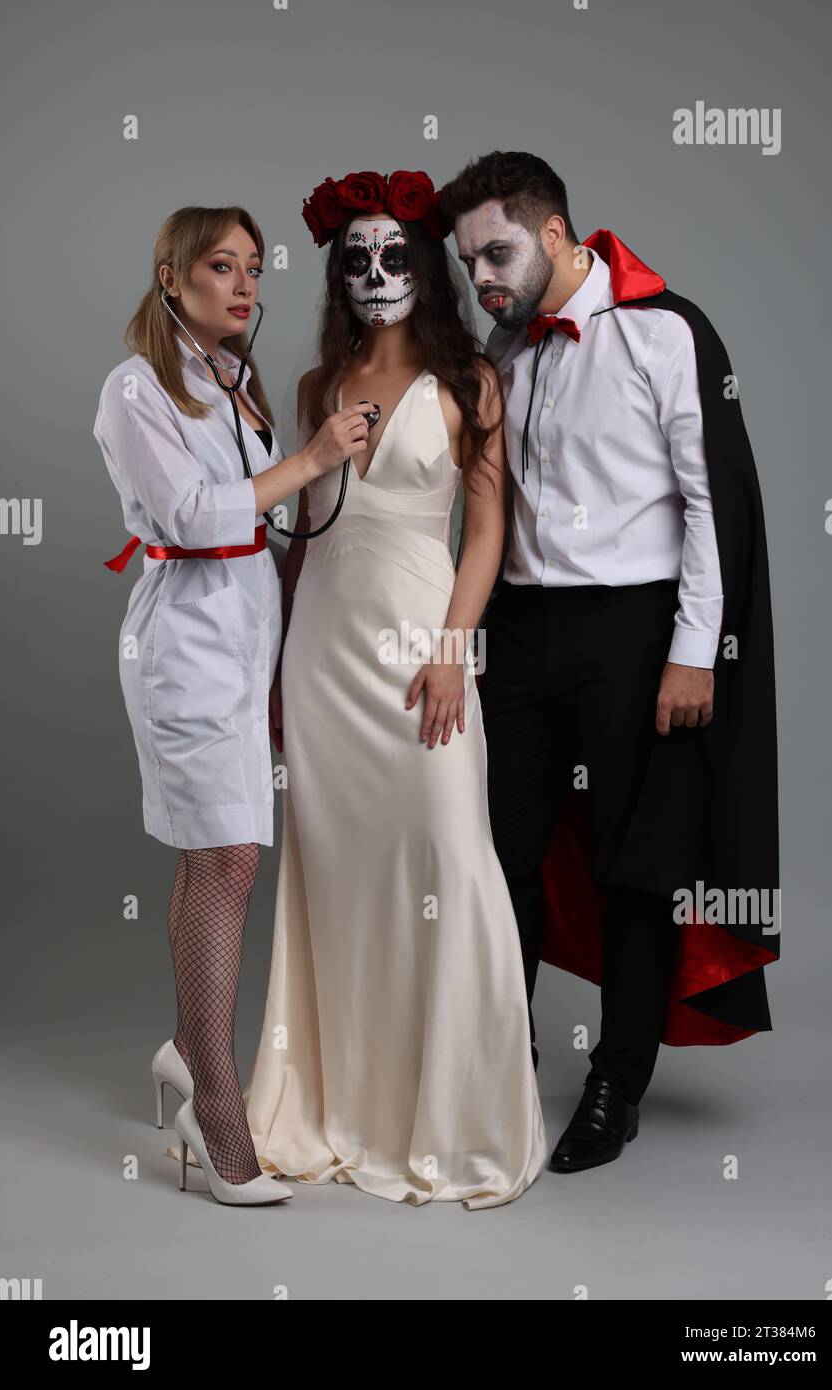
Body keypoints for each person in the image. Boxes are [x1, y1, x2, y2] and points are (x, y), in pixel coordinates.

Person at [438, 151, 780, 1173]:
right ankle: (505, 1058)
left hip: (635, 634)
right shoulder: (506, 346)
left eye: (495, 252)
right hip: (523, 631)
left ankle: (615, 1084)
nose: (481, 278)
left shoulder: (665, 330)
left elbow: (713, 502)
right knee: (500, 852)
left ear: (552, 233)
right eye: (467, 261)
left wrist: (694, 653)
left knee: (639, 867)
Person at [242, 169, 547, 1209]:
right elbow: (299, 533)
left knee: (449, 854)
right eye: (359, 261)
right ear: (342, 274)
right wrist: (275, 670)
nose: (379, 275)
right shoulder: (318, 386)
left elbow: (489, 528)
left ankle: (453, 1116)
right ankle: (347, 1104)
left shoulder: (473, 383)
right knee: (337, 875)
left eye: (397, 256)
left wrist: (453, 649)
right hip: (323, 649)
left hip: (423, 639)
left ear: (425, 267)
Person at [94, 204, 369, 1205]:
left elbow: (267, 521)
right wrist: (312, 459)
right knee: (229, 862)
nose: (247, 285)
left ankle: (182, 1049)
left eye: (255, 267)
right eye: (222, 266)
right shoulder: (135, 389)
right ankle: (216, 1104)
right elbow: (192, 514)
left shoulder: (235, 380)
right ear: (171, 277)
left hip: (244, 646)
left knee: (210, 855)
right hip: (183, 652)